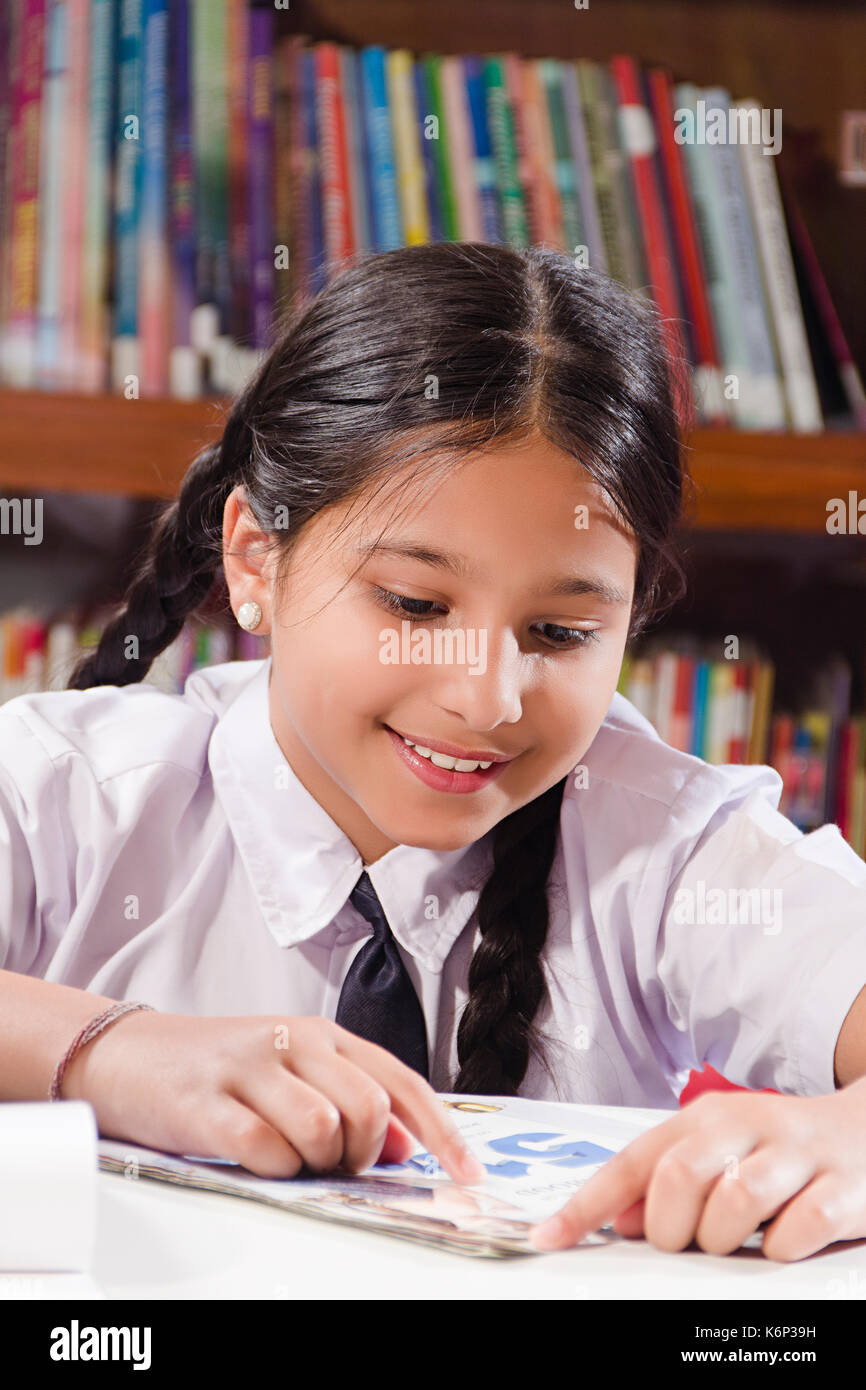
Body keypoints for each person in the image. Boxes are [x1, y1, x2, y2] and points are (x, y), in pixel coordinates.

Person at [3, 242, 866, 1260]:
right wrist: (108, 1052)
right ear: (254, 562)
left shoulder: (662, 844)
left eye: (558, 632)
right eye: (414, 604)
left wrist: (841, 1136)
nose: (485, 697)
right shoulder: (64, 792)